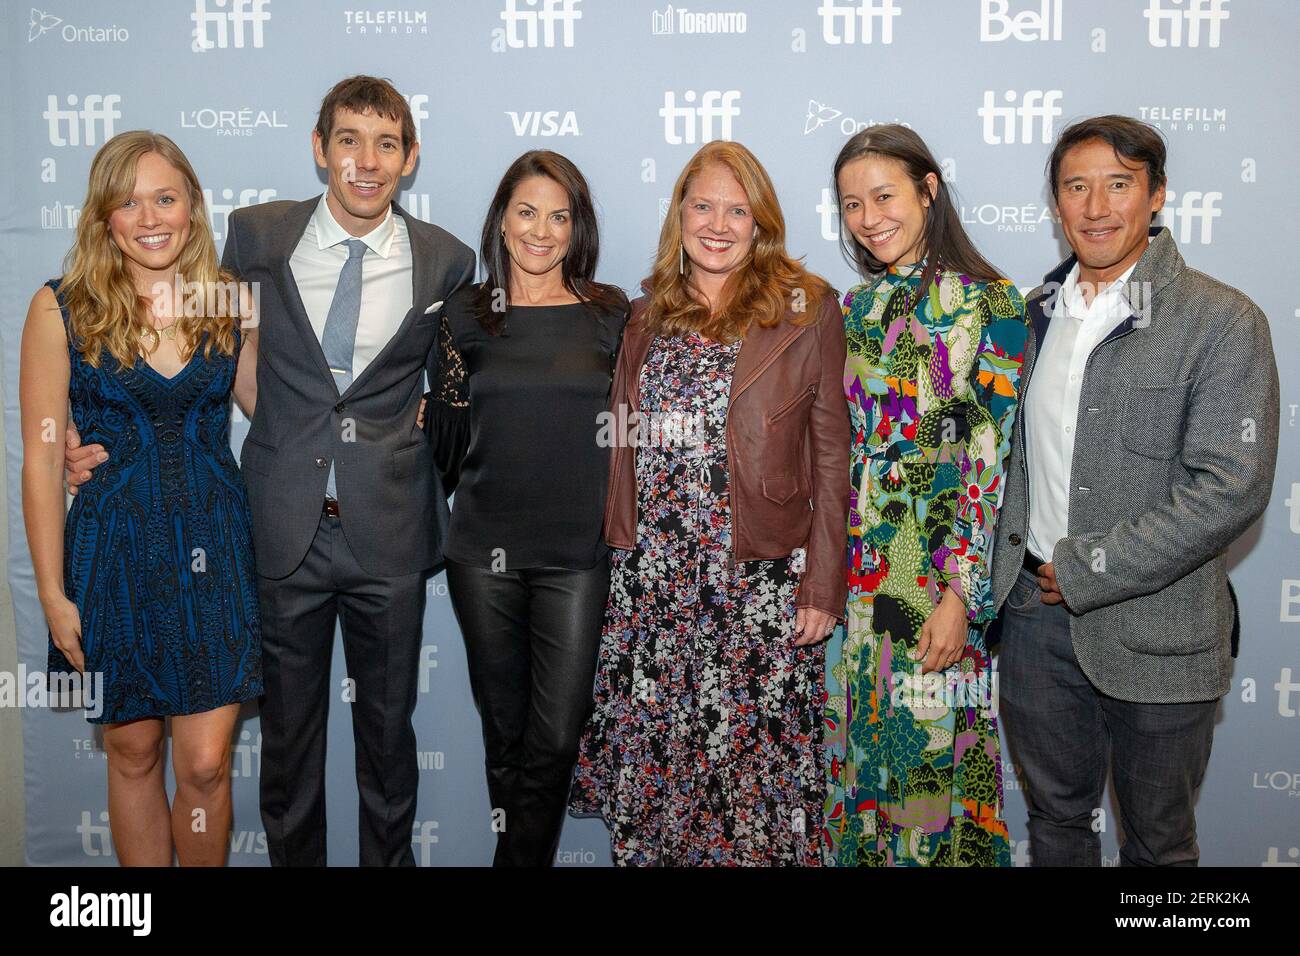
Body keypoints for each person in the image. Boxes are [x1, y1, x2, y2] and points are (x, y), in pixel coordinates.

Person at [65, 76, 476, 866]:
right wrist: (86, 430)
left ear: (410, 158)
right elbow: (170, 334)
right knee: (287, 747)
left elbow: (471, 370)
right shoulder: (256, 237)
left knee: (389, 744)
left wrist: (444, 409)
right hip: (278, 530)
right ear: (319, 149)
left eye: (386, 143)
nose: (366, 161)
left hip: (389, 533)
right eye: (348, 140)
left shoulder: (447, 262)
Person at [989, 115, 1279, 867]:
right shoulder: (1030, 316)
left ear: (1156, 196)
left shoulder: (1220, 320)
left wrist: (1094, 567)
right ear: (1055, 205)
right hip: (1034, 623)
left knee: (1157, 846)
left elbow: (1230, 487)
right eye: (1075, 187)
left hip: (1161, 630)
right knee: (1056, 826)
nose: (1095, 207)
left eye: (1118, 185)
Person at [569, 140, 849, 866]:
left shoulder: (806, 307)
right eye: (703, 206)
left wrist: (823, 584)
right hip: (653, 588)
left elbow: (830, 453)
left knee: (753, 787)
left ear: (760, 223)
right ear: (679, 215)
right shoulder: (643, 315)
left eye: (737, 209)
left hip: (757, 584)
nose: (718, 224)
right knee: (658, 787)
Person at [21, 130, 261, 865]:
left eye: (165, 196)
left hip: (216, 555)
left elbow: (278, 417)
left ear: (192, 207)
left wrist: (394, 414)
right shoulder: (61, 309)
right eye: (128, 202)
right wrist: (54, 596)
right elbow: (38, 458)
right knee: (130, 756)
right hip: (113, 557)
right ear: (104, 218)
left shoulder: (229, 303)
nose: (149, 216)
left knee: (205, 765)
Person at [824, 124, 1029, 867]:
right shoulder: (853, 308)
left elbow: (988, 462)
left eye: (884, 195)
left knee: (937, 778)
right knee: (870, 768)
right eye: (852, 204)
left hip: (939, 570)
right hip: (865, 575)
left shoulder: (994, 303)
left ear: (928, 190)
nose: (869, 217)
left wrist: (958, 595)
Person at [426, 151, 628, 866]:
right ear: (502, 221)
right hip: (484, 556)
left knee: (555, 739)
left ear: (577, 230)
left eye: (559, 216)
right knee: (505, 738)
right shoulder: (466, 315)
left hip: (576, 557)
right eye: (526, 212)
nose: (541, 231)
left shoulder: (611, 315)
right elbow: (445, 443)